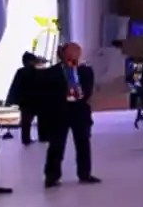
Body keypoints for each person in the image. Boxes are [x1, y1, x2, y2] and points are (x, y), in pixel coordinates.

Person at [40, 42, 102, 187]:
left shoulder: (85, 71)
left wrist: (80, 96)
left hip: (79, 111)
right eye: (71, 51)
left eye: (77, 52)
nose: (74, 55)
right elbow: (47, 94)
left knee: (83, 143)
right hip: (60, 111)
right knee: (56, 144)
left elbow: (88, 90)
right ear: (63, 54)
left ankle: (84, 173)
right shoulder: (52, 73)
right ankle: (52, 176)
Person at [6, 52, 42, 145]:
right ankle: (42, 137)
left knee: (26, 121)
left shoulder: (21, 72)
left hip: (25, 101)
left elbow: (14, 87)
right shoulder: (38, 71)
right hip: (37, 100)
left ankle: (26, 140)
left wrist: (9, 100)